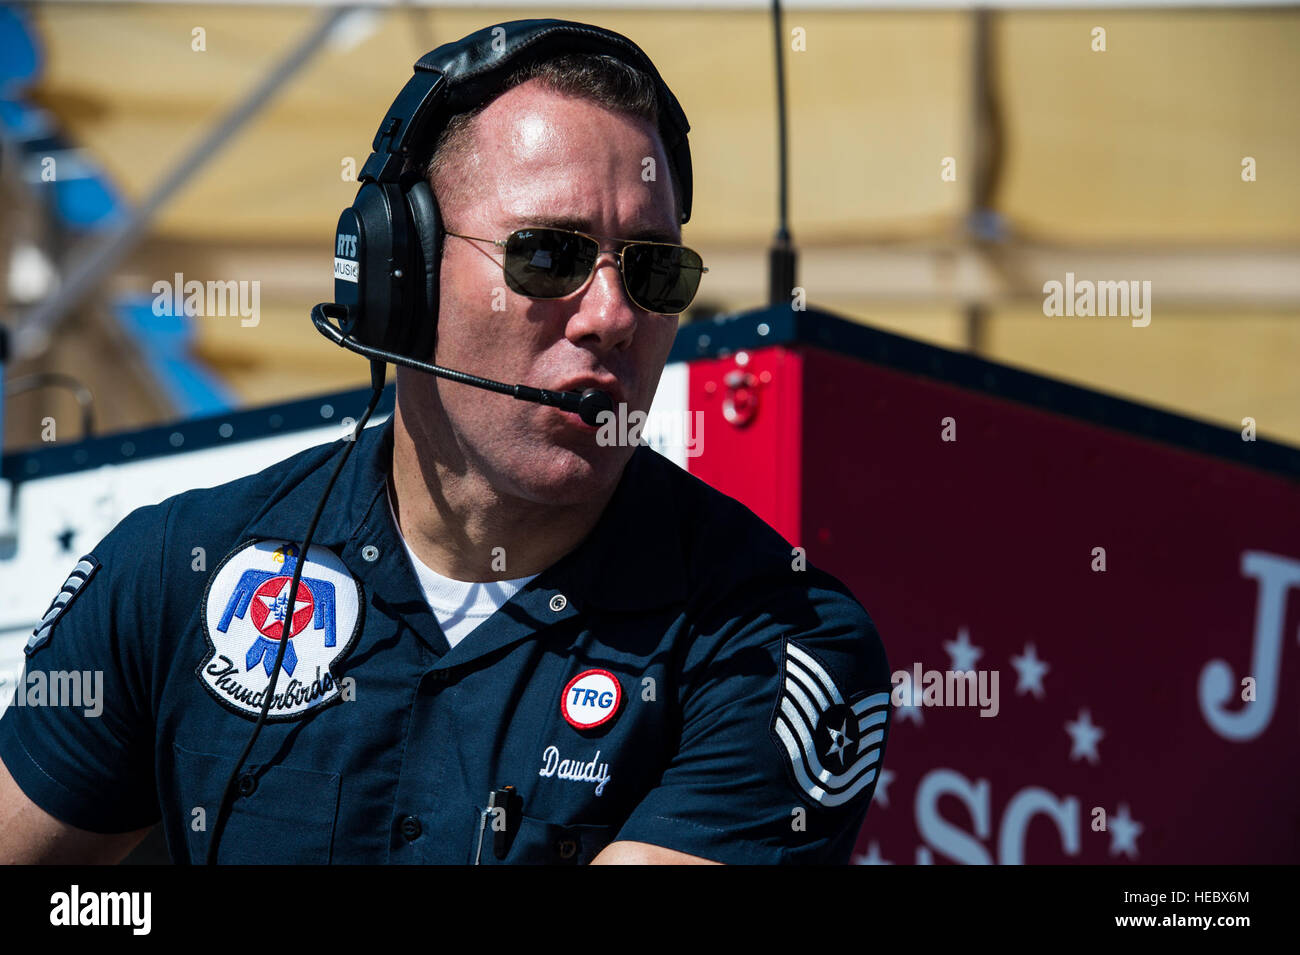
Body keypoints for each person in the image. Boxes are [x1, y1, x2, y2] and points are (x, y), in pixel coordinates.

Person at [0, 20, 891, 865]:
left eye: (655, 268)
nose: (615, 315)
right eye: (549, 256)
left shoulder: (779, 640)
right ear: (402, 276)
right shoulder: (169, 573)